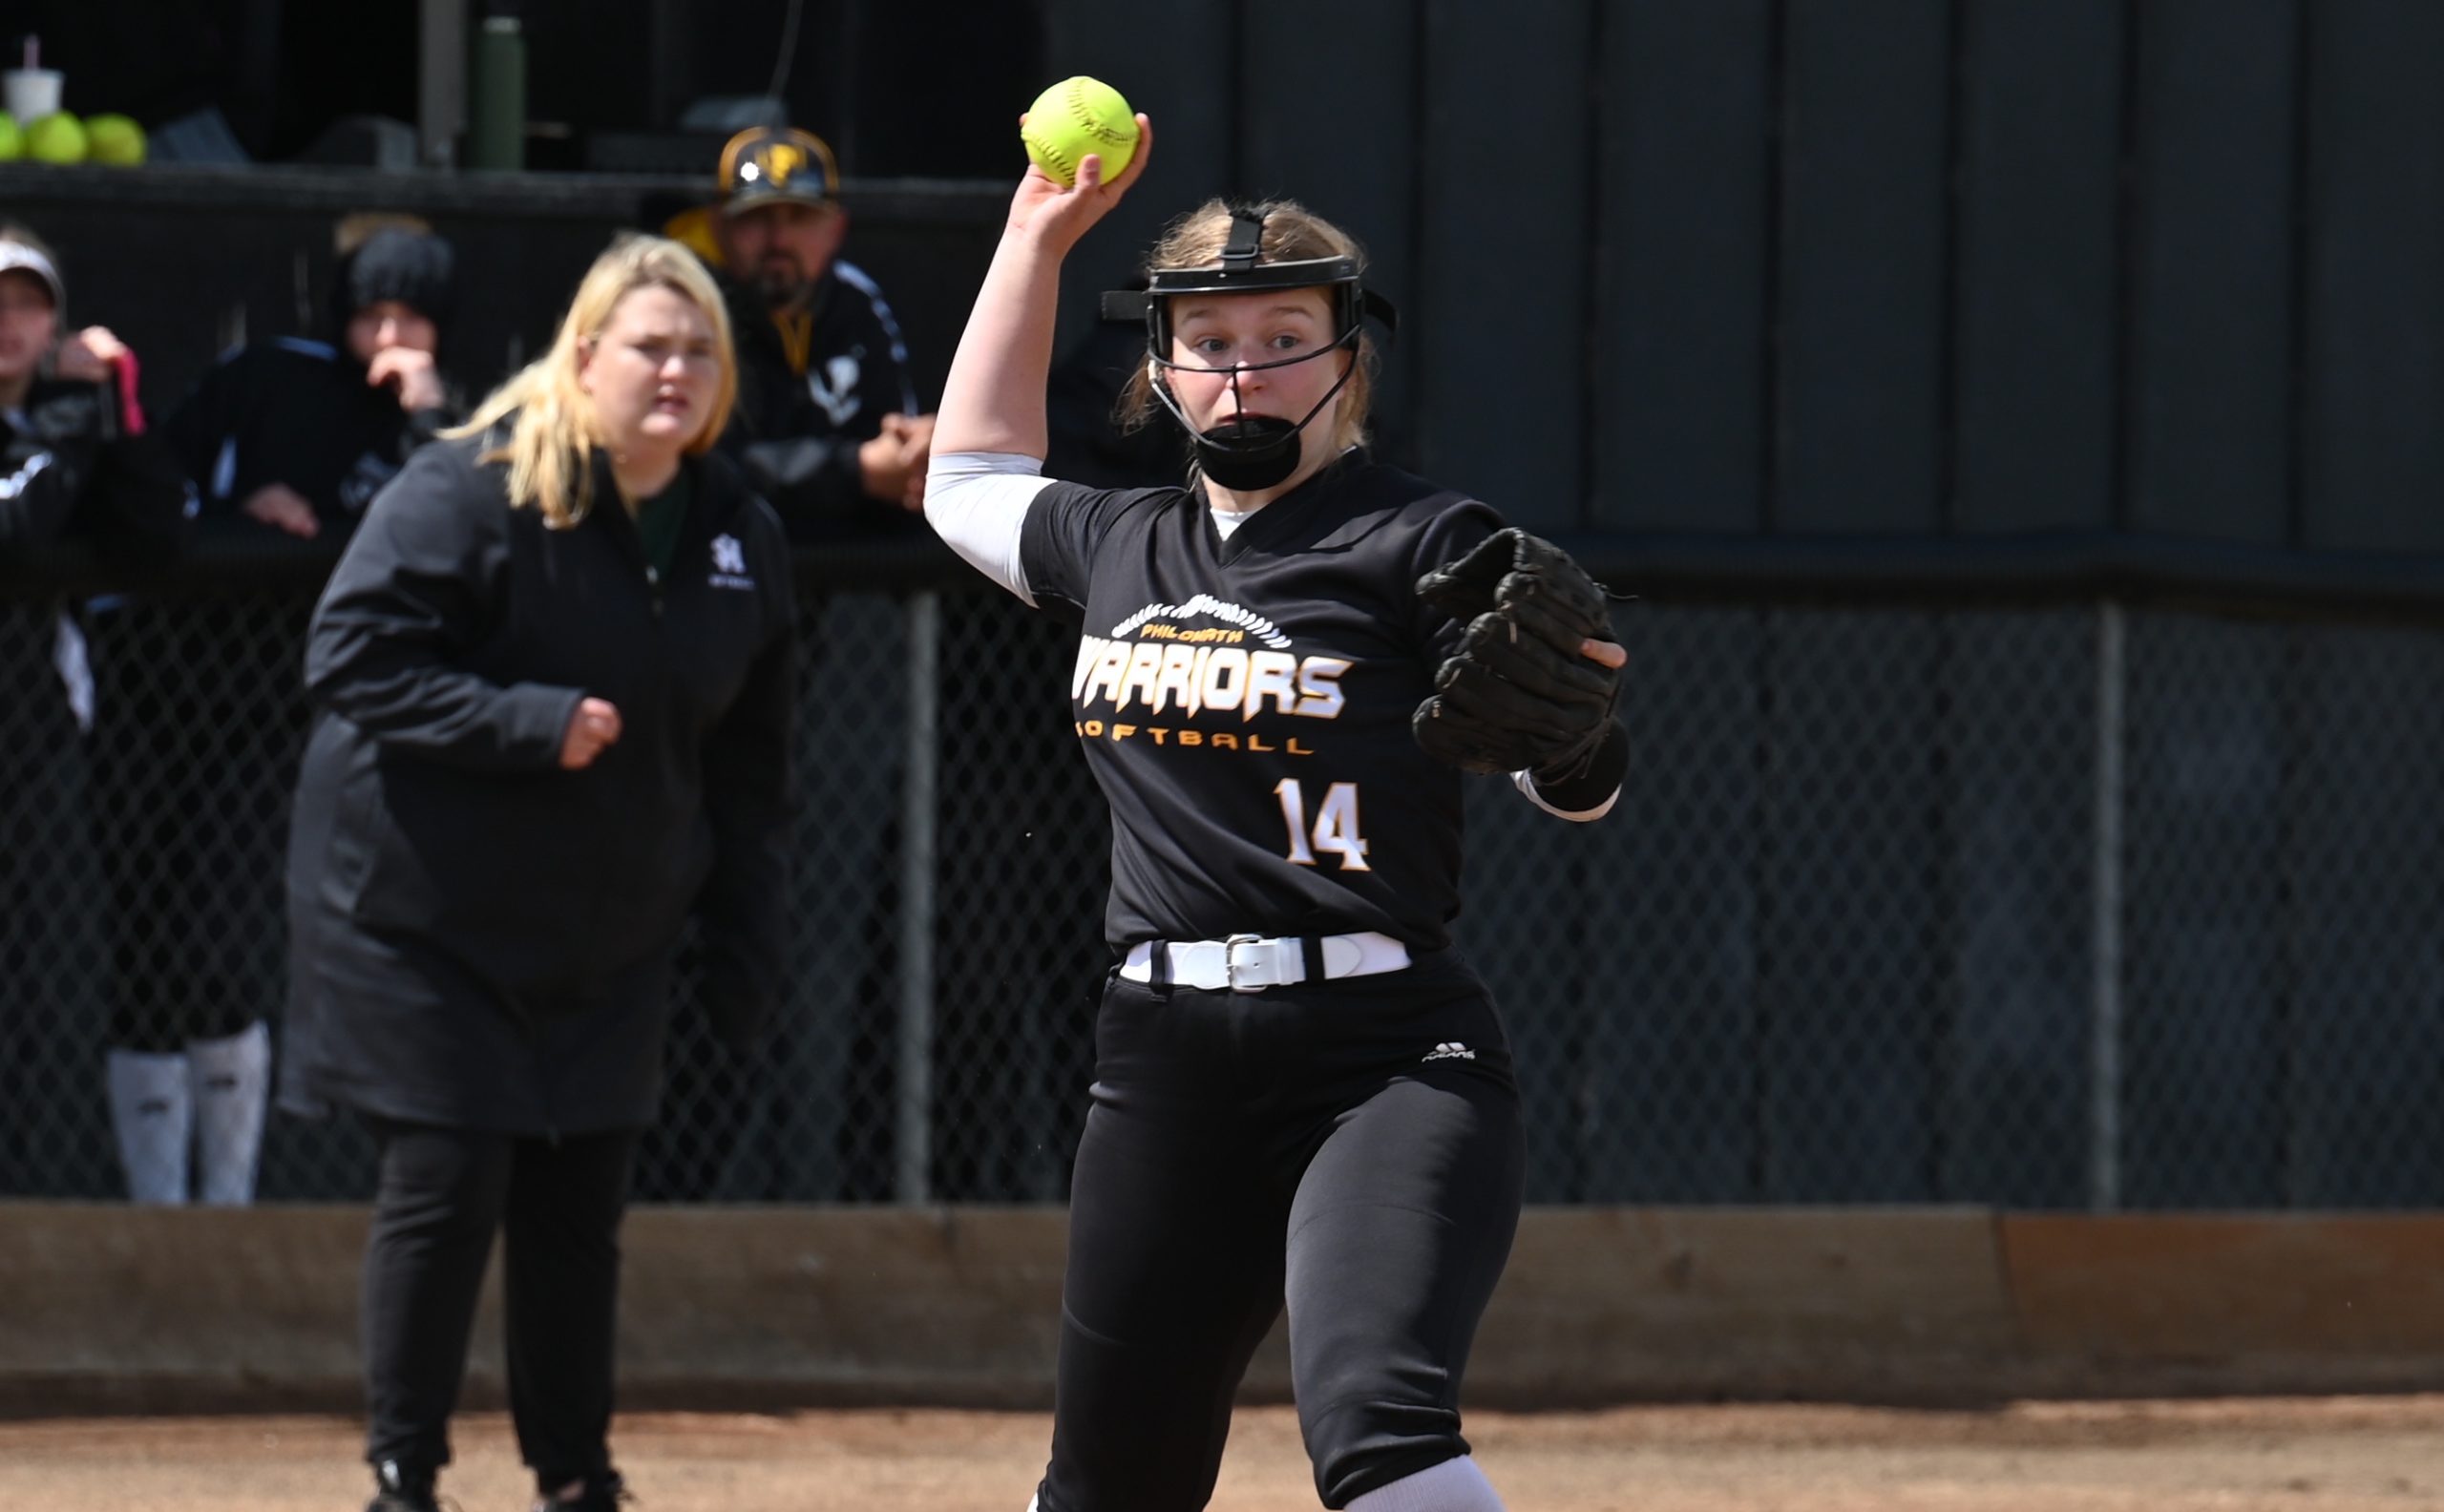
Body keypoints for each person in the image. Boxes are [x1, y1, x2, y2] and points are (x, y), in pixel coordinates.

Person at [920, 124, 1630, 1512]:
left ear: (1348, 353)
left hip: (1382, 1053)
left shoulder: (1422, 540)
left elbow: (1574, 786)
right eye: (1208, 337)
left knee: (1378, 1427)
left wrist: (1581, 733)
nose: (1243, 365)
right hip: (1162, 1066)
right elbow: (967, 481)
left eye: (1284, 332)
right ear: (1163, 368)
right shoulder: (1118, 541)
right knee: (1105, 1487)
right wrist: (1033, 241)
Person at [277, 234, 797, 1512]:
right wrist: (526, 722)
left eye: (698, 352)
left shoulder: (739, 530)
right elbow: (351, 655)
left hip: (608, 930)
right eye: (648, 347)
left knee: (577, 1207)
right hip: (424, 912)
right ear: (584, 357)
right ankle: (405, 1476)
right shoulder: (477, 488)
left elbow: (750, 774)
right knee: (450, 1181)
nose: (675, 371)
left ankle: (575, 1477)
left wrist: (743, 951)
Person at [0, 226, 191, 1196]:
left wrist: (113, 407)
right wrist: (74, 419)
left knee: (29, 987)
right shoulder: (54, 432)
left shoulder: (69, 420)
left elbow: (157, 531)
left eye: (27, 303)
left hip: (29, 745)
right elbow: (18, 518)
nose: (8, 323)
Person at [665, 123, 936, 538]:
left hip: (849, 572)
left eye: (800, 217)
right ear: (719, 226)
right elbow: (696, 469)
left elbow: (891, 438)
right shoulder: (685, 310)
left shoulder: (857, 300)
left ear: (835, 229)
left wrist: (919, 445)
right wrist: (856, 470)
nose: (779, 239)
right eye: (756, 217)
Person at [163, 220, 460, 542]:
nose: (389, 337)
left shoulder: (463, 415)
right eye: (370, 315)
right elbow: (163, 483)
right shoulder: (265, 375)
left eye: (411, 317)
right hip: (239, 583)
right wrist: (236, 512)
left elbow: (452, 523)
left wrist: (429, 414)